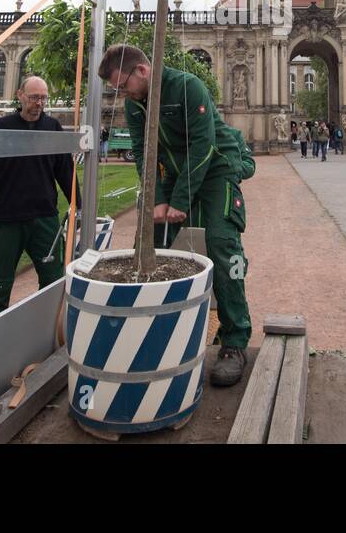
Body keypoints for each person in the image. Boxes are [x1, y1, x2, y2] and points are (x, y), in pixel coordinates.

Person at [98, 44, 252, 387]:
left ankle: (235, 341)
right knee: (160, 246)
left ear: (142, 70)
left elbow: (203, 145)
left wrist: (180, 199)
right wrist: (157, 198)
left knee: (221, 244)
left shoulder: (187, 86)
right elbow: (143, 151)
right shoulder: (133, 102)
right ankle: (165, 330)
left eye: (123, 85)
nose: (121, 93)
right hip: (174, 174)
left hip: (215, 168)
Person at [0, 74, 81, 321]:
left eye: (44, 98)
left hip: (44, 218)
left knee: (54, 282)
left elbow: (66, 172)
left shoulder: (52, 128)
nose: (39, 103)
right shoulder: (1, 128)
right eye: (34, 97)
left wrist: (79, 207)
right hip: (5, 220)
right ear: (20, 96)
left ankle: (49, 332)